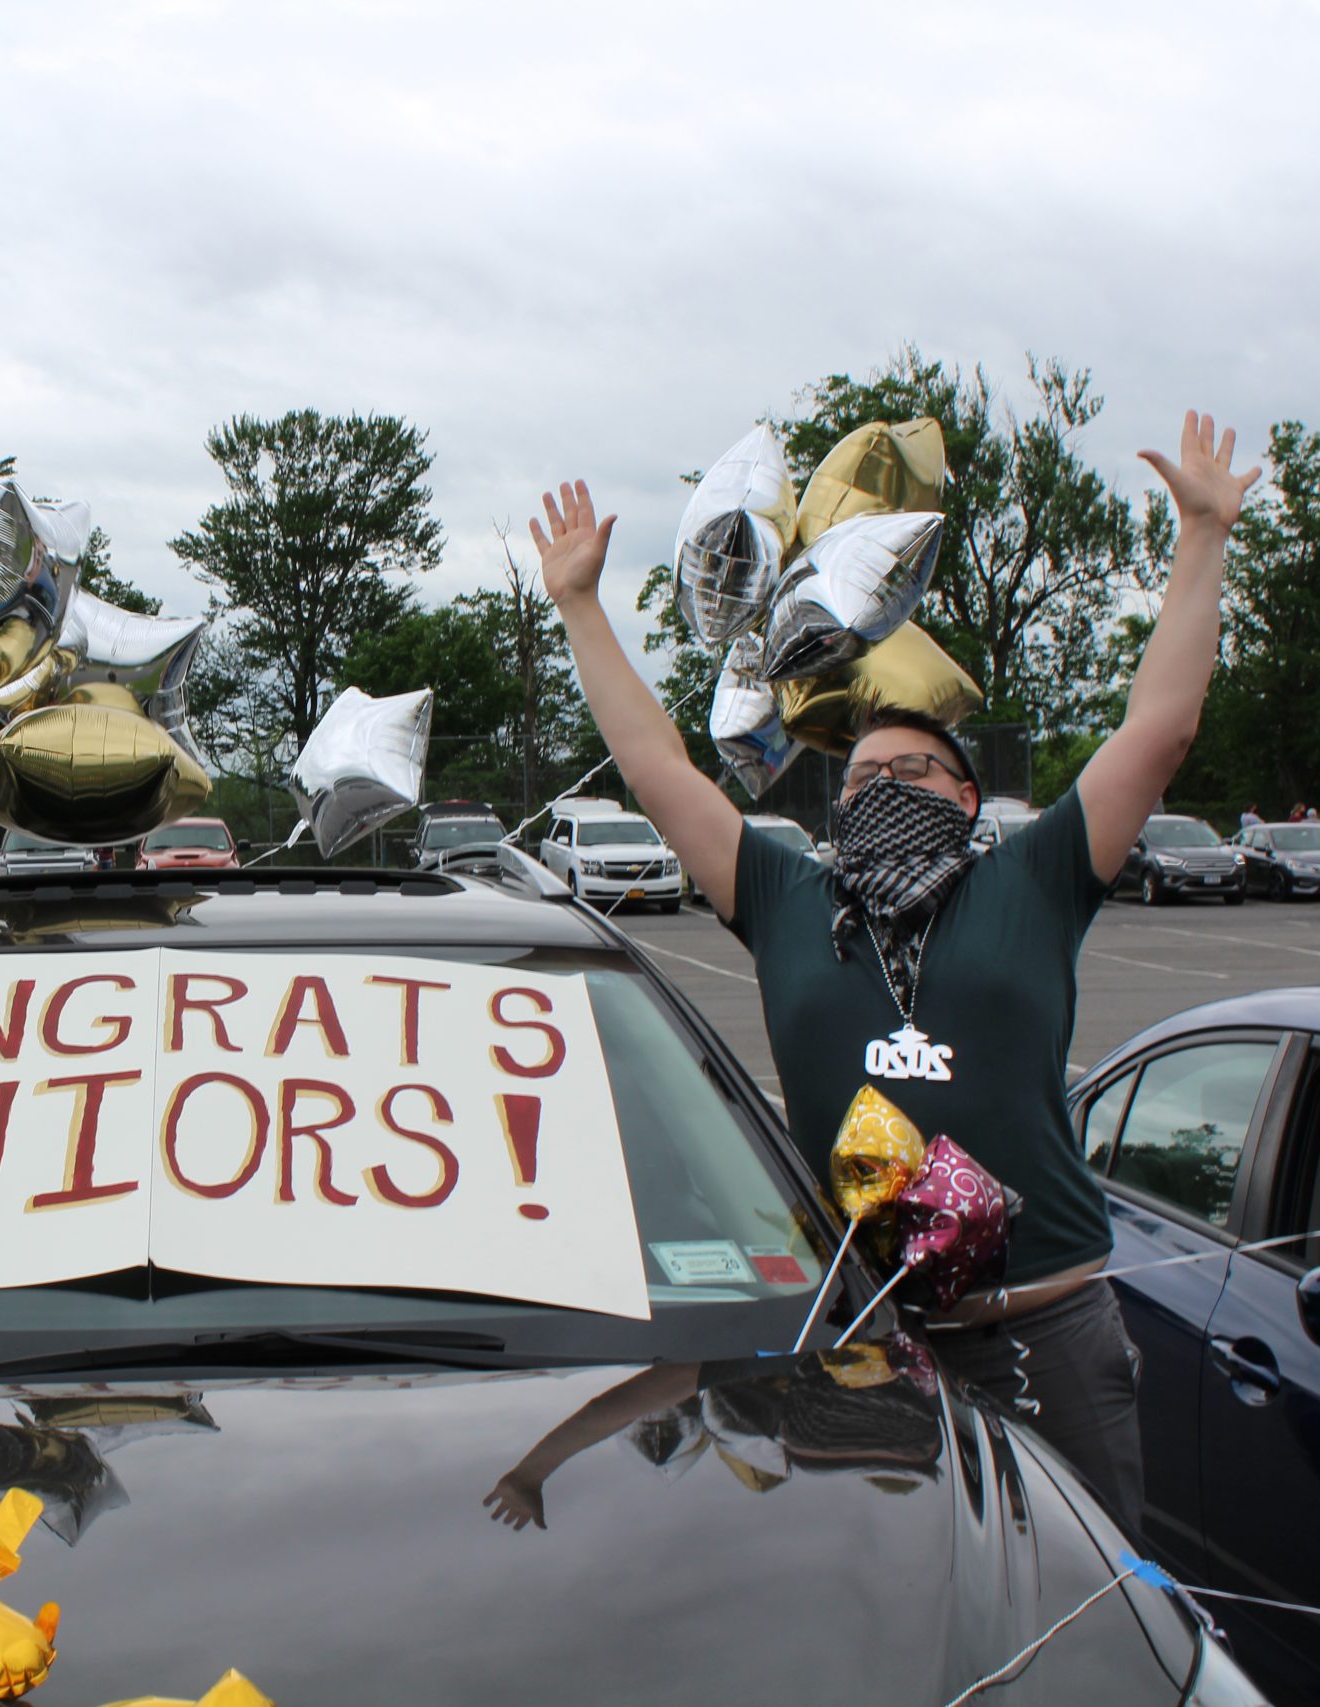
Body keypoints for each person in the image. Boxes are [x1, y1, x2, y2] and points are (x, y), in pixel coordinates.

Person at [529, 411, 1260, 1532]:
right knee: (887, 1607)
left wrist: (1201, 536)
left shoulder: (1035, 878)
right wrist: (581, 605)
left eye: (914, 766)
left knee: (1090, 1601)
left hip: (1049, 1327)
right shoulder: (784, 897)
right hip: (867, 1338)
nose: (880, 783)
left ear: (967, 800)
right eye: (862, 773)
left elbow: (1157, 730)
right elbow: (656, 768)